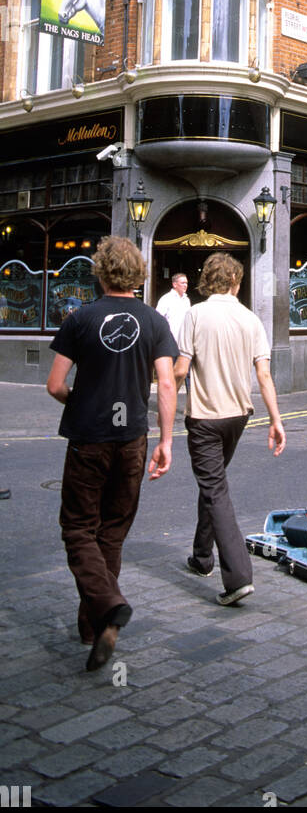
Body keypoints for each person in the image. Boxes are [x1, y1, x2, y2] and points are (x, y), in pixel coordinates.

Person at [46, 235, 177, 672]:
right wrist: (166, 441)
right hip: (132, 439)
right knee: (113, 532)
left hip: (89, 437)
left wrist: (80, 400)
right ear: (138, 274)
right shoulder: (155, 321)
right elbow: (167, 383)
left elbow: (55, 385)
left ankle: (107, 605)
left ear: (101, 271)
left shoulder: (80, 319)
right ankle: (96, 625)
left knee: (79, 529)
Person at [174, 252, 286, 606]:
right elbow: (264, 375)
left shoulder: (195, 314)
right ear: (237, 282)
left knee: (215, 489)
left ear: (207, 281)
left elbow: (180, 370)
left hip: (205, 418)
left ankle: (238, 576)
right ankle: (202, 556)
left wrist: (159, 389)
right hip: (239, 416)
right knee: (214, 482)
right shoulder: (251, 319)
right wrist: (276, 420)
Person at [156, 273, 191, 344]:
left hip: (184, 342)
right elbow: (157, 320)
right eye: (182, 283)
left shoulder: (187, 300)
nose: (185, 285)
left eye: (186, 283)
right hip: (169, 341)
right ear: (174, 284)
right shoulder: (166, 299)